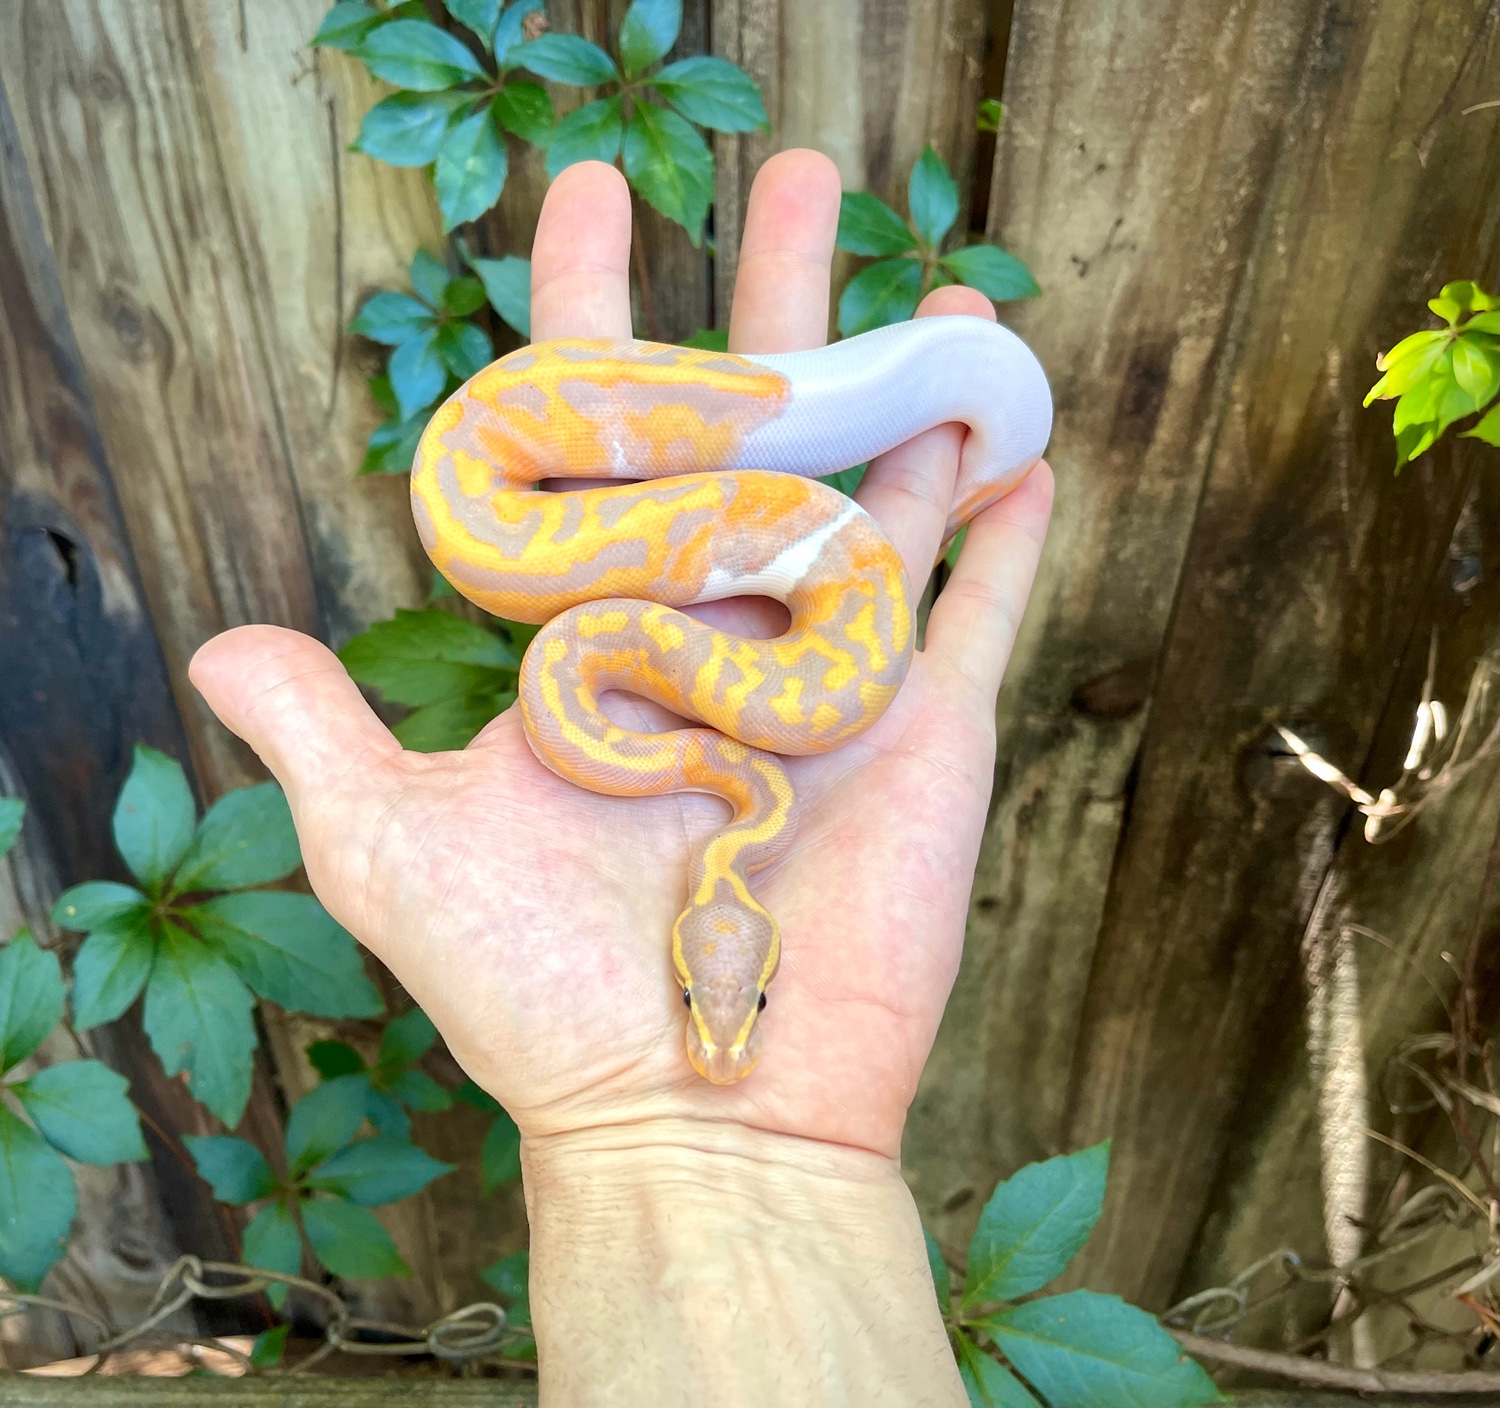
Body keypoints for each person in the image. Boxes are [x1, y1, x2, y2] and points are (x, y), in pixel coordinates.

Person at [190, 151, 1054, 1407]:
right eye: (734, 1002)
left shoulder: (689, 729)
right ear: (747, 942)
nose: (720, 1040)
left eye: (713, 1003)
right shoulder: (737, 759)